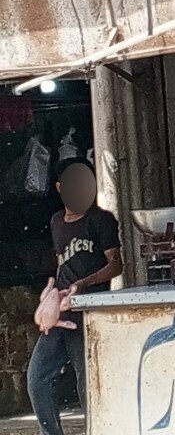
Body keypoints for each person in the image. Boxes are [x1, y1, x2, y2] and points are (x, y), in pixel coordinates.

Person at [28, 158, 122, 435]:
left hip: (90, 312)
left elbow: (116, 264)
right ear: (60, 187)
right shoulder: (57, 222)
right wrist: (49, 300)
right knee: (37, 379)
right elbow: (62, 266)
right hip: (61, 314)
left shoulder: (102, 220)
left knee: (87, 382)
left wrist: (83, 284)